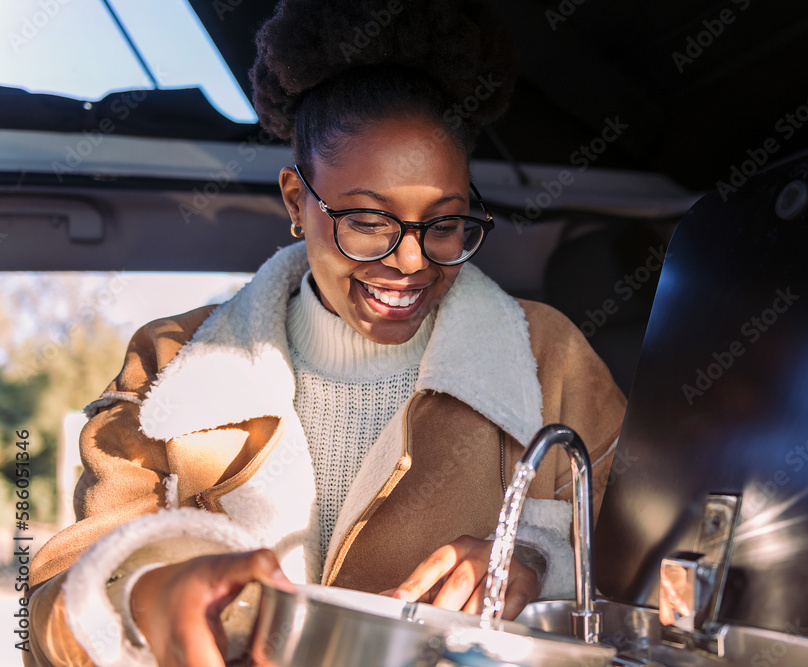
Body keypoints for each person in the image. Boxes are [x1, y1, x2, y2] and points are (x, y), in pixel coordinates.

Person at [24, 1, 626, 665]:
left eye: (446, 222)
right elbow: (56, 606)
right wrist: (142, 596)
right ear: (294, 200)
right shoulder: (171, 360)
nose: (411, 260)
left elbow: (629, 579)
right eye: (367, 221)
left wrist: (536, 566)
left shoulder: (551, 357)